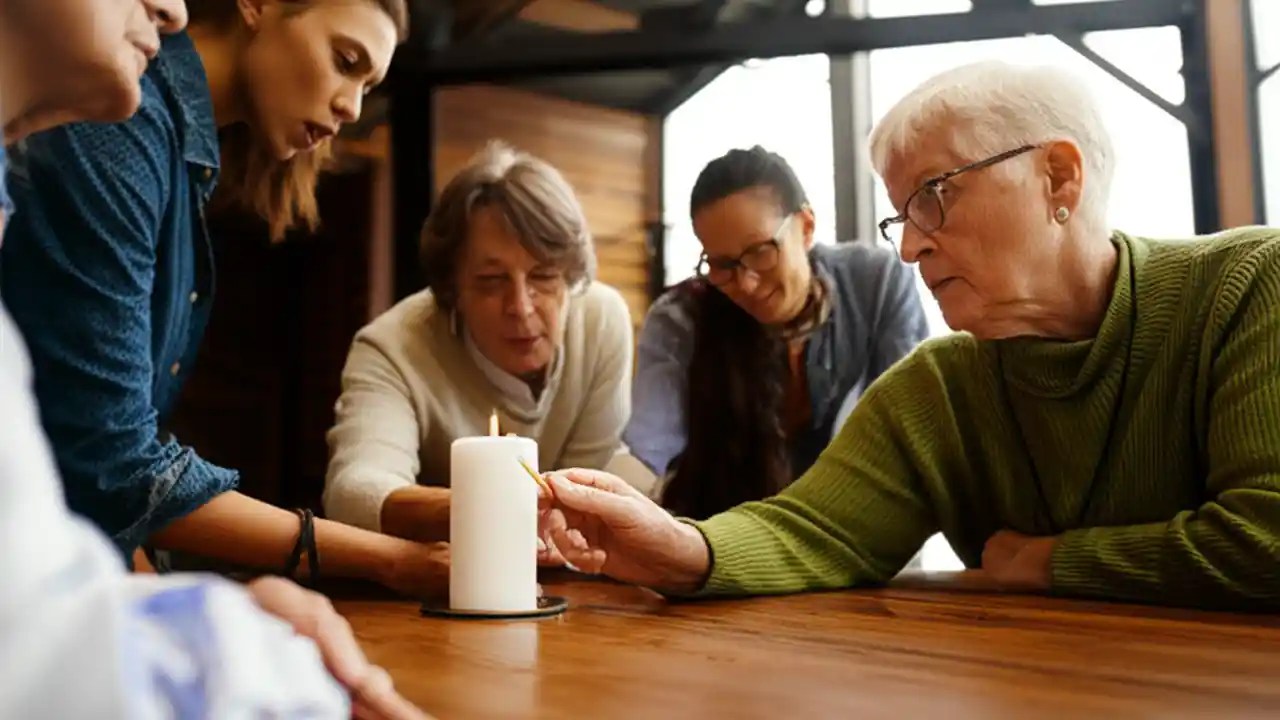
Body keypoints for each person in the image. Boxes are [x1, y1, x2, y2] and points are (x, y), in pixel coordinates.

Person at [539, 60, 1280, 611]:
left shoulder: (1250, 286)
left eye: (935, 195)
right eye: (902, 215)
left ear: (1059, 177)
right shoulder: (939, 387)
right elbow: (811, 528)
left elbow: (1266, 539)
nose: (909, 249)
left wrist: (1053, 562)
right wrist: (675, 547)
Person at [0, 2, 425, 717]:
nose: (173, 10)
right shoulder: (123, 123)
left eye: (369, 86)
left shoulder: (176, 148)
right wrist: (395, 560)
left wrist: (157, 609)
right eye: (346, 61)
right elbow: (116, 468)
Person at [323, 141, 633, 550]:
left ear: (570, 276)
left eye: (542, 276)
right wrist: (488, 508)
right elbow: (353, 493)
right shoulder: (393, 348)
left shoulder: (601, 320)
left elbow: (587, 487)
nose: (520, 308)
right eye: (491, 281)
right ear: (451, 289)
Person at [621, 147, 928, 516]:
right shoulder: (680, 318)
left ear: (806, 226)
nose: (746, 283)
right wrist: (607, 506)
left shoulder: (876, 284)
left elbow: (911, 430)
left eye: (761, 251)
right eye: (722, 265)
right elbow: (646, 451)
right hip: (721, 539)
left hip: (860, 527)